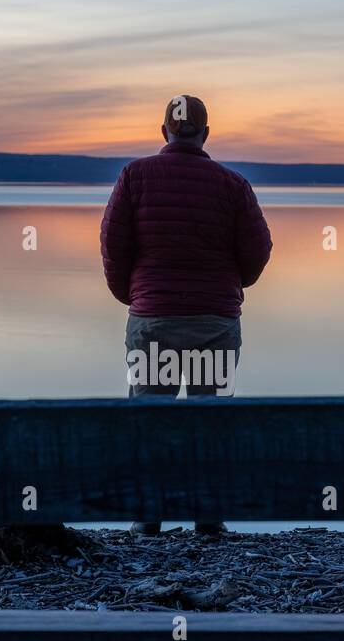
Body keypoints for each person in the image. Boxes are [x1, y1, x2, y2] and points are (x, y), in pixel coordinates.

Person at [100, 94, 273, 536]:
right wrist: (233, 288)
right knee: (209, 420)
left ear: (164, 131)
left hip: (153, 320)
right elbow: (258, 251)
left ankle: (148, 517)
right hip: (213, 323)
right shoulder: (232, 184)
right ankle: (208, 517)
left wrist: (134, 295)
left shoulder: (135, 176)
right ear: (206, 133)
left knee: (151, 420)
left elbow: (113, 243)